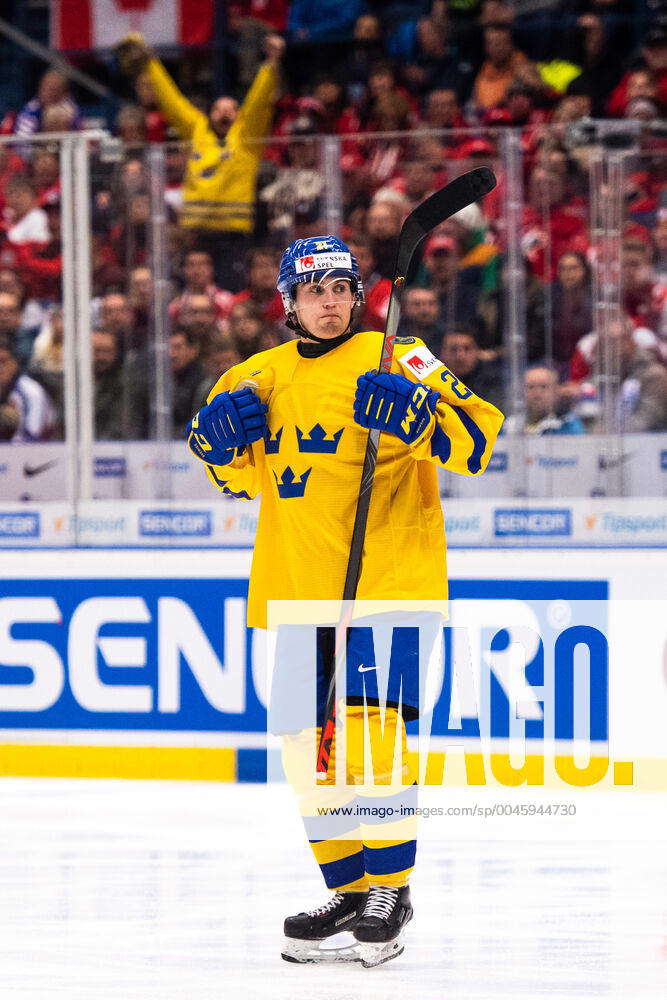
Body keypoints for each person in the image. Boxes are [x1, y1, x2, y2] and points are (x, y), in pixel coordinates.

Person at [185, 235, 504, 966]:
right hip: (298, 588)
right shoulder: (253, 375)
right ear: (287, 301)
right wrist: (214, 449)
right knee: (307, 751)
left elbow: (479, 440)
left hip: (388, 586)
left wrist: (420, 422)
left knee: (370, 741)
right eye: (314, 290)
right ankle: (350, 888)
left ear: (359, 296)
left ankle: (391, 887)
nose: (329, 302)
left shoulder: (402, 356)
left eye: (341, 289)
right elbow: (240, 482)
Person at [117, 31, 285, 290]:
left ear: (239, 115)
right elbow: (171, 100)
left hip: (234, 235)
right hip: (196, 234)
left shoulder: (248, 138)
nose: (224, 113)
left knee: (231, 291)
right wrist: (151, 62)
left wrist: (270, 65)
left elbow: (259, 103)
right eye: (218, 109)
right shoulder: (197, 131)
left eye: (231, 109)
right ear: (209, 114)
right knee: (194, 292)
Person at [0, 336, 55, 441]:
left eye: (3, 362)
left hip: (37, 452)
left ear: (14, 364)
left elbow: (32, 436)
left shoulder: (31, 392)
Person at [504, 365, 585, 435]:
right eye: (530, 387)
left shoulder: (569, 426)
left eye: (544, 387)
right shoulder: (509, 425)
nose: (537, 393)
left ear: (556, 391)